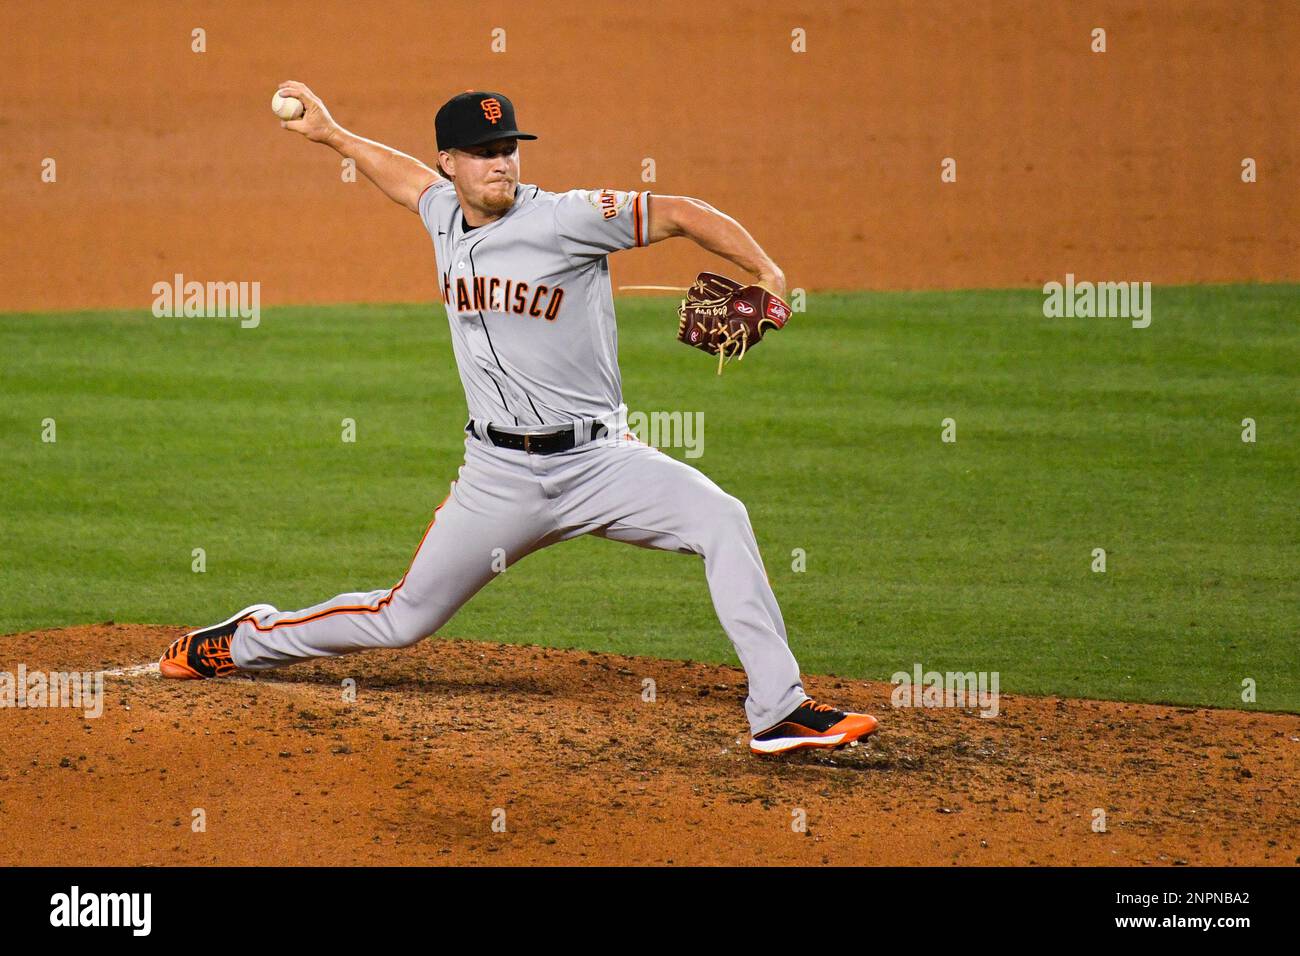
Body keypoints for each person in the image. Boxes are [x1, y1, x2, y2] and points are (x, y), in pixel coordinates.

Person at [159, 83, 879, 755]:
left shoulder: (567, 218)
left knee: (722, 518)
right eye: (482, 153)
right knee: (403, 619)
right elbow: (405, 177)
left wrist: (768, 273)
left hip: (602, 463)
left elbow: (682, 213)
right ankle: (244, 639)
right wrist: (333, 135)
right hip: (498, 477)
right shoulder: (443, 211)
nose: (501, 164)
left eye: (508, 150)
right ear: (453, 164)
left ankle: (778, 710)